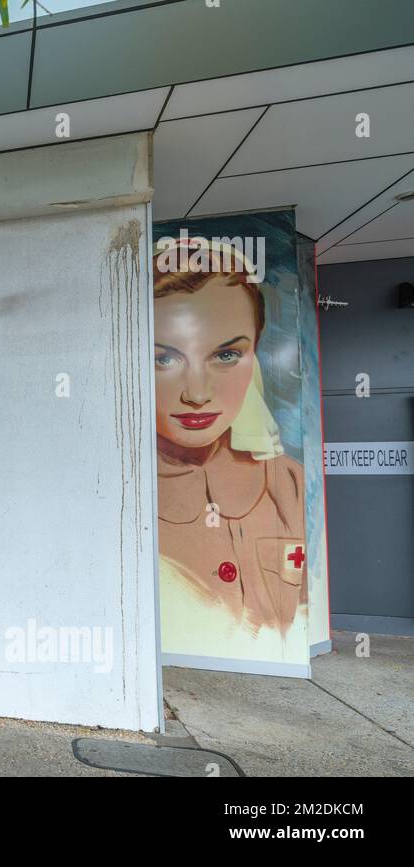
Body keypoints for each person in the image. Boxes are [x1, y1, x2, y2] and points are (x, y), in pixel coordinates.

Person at [153, 236, 308, 654]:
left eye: (226, 356)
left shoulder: (287, 482)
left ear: (254, 356)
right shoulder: (113, 491)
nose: (197, 395)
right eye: (164, 359)